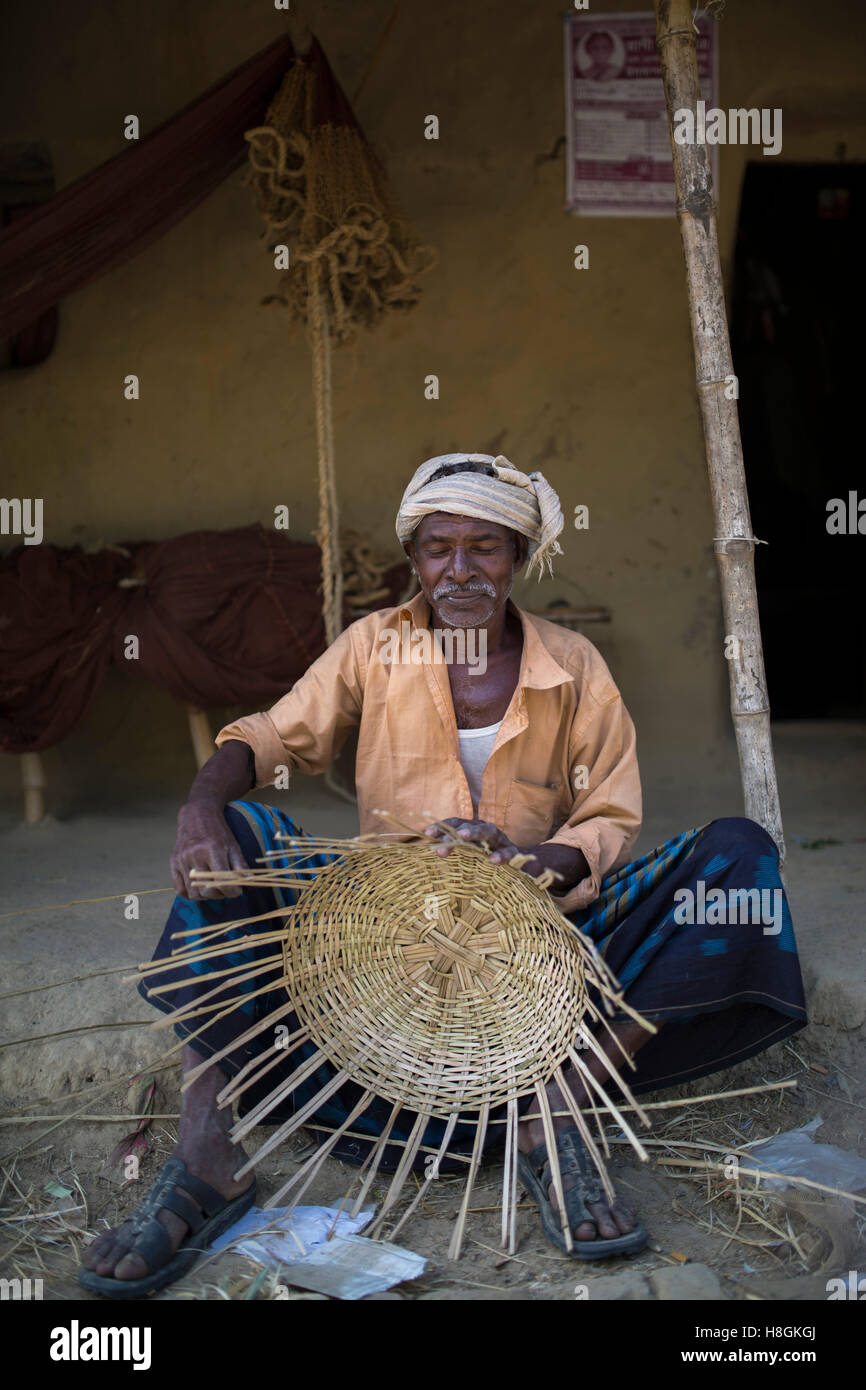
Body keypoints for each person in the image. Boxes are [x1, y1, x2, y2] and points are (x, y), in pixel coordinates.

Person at [80, 453, 807, 1297]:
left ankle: (556, 1109)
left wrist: (541, 859)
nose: (459, 571)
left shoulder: (574, 666)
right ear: (413, 560)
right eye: (437, 549)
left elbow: (608, 816)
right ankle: (207, 1155)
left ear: (520, 555)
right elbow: (274, 737)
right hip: (376, 953)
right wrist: (202, 802)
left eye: (485, 547)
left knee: (737, 854)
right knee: (239, 834)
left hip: (541, 956)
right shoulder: (372, 647)